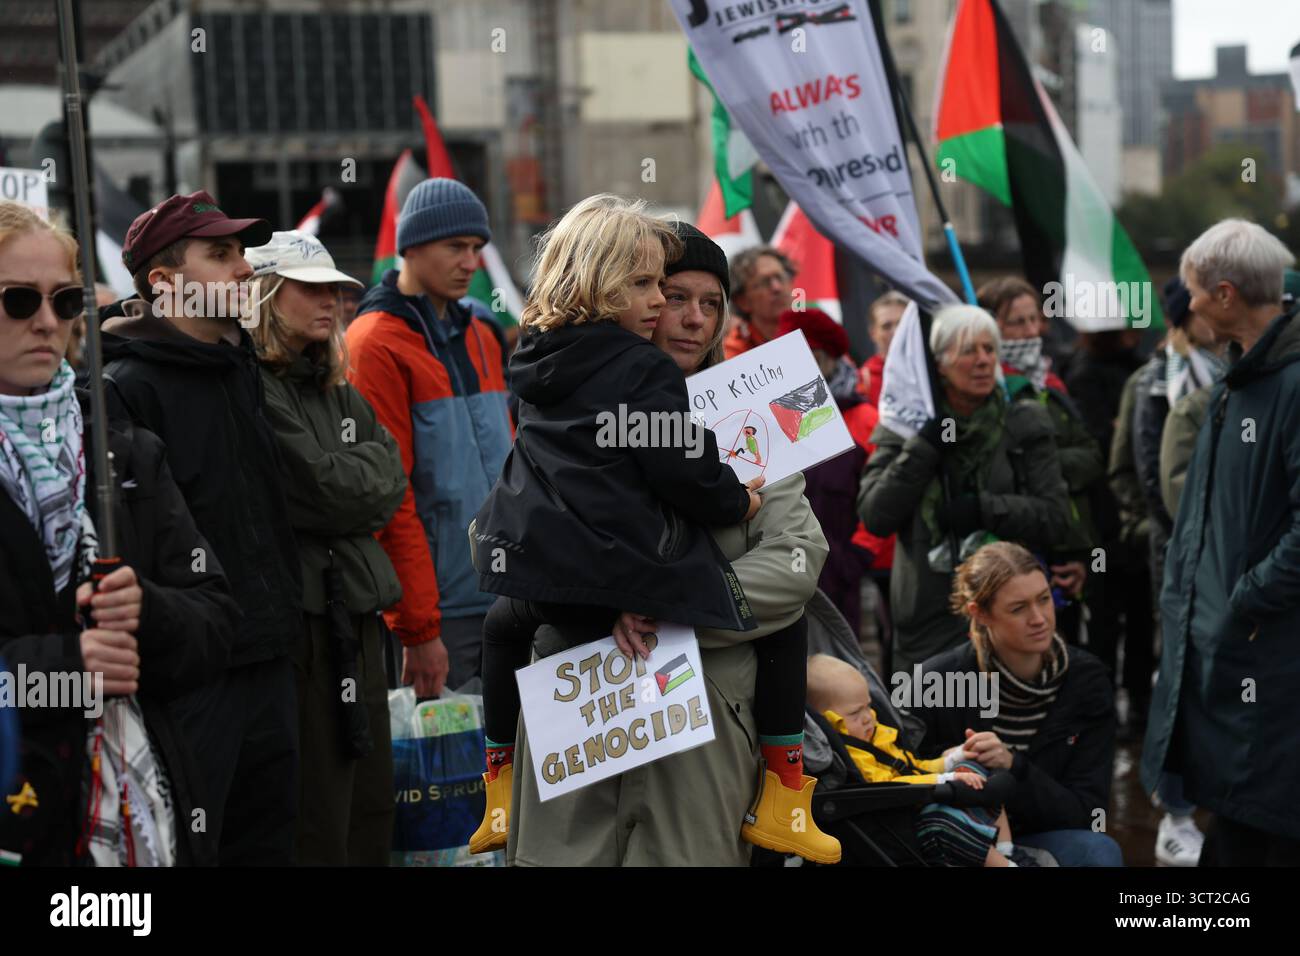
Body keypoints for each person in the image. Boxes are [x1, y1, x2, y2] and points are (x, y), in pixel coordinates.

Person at [471, 200, 838, 863]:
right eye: (672, 295)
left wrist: (670, 605)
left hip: (702, 728)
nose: (695, 317)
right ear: (621, 295)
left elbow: (795, 559)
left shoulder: (755, 413)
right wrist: (583, 597)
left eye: (712, 301)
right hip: (575, 710)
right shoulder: (566, 404)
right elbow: (495, 534)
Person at [0, 201, 237, 866]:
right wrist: (70, 670)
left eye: (65, 298)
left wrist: (148, 610)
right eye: (18, 300)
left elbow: (216, 621)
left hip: (135, 808)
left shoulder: (123, 448)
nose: (47, 322)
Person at [101, 190, 303, 865]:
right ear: (164, 283)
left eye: (242, 251)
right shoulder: (124, 387)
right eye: (220, 254)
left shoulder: (238, 365)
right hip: (191, 681)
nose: (244, 268)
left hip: (271, 658)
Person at [245, 231, 407, 865]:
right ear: (266, 296)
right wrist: (355, 478)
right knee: (322, 802)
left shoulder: (333, 384)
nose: (331, 303)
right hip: (310, 620)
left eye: (336, 291)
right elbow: (319, 488)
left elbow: (390, 474)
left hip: (357, 609)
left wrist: (351, 479)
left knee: (372, 796)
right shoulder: (258, 384)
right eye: (310, 288)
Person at [1142, 219, 1300, 866]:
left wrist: (1245, 600)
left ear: (1227, 294)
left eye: (1195, 292)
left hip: (1269, 666)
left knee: (1259, 829)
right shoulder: (1236, 384)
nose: (1189, 306)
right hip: (1233, 662)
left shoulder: (1287, 384)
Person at [346, 179, 512, 696]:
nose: (470, 262)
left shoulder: (483, 331)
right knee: (454, 773)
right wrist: (419, 627)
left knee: (516, 771)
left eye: (477, 249)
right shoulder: (374, 342)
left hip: (510, 596)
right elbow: (389, 498)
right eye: (455, 247)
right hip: (441, 612)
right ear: (411, 247)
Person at [858, 304, 1071, 677]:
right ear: (939, 363)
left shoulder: (1023, 421)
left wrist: (984, 509)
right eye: (968, 351)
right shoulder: (907, 427)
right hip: (928, 617)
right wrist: (923, 448)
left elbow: (1055, 517)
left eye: (990, 349)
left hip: (1009, 615)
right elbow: (875, 515)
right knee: (929, 728)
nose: (983, 360)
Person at [913, 541, 1123, 866]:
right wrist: (947, 764)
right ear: (980, 614)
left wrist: (1013, 767)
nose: (1039, 618)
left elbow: (1085, 812)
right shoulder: (935, 681)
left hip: (1044, 835)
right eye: (1018, 608)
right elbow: (901, 787)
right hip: (958, 842)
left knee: (1099, 850)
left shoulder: (1088, 681)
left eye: (1044, 599)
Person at [806, 654, 1039, 867]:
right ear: (829, 722)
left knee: (980, 768)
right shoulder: (854, 756)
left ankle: (1007, 850)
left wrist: (954, 759)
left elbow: (912, 765)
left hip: (926, 797)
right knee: (943, 824)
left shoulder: (875, 736)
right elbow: (890, 785)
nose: (868, 718)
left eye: (869, 707)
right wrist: (944, 779)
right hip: (903, 820)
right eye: (856, 714)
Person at [977, 277, 1102, 646]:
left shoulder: (1052, 385)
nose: (1031, 331)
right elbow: (1003, 470)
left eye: (1035, 319)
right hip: (1017, 546)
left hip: (1066, 543)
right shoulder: (990, 390)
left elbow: (1092, 458)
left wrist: (1042, 462)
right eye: (1018, 322)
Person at [778, 308, 873, 637]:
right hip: (780, 574)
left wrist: (857, 555)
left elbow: (882, 497)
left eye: (812, 356)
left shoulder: (863, 419)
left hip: (840, 578)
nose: (802, 366)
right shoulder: (770, 417)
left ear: (832, 359)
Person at [723, 245, 795, 358]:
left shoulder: (815, 331)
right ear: (742, 301)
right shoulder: (734, 356)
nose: (777, 287)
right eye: (764, 282)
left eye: (780, 277)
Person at [859, 291, 908, 407]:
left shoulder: (934, 368)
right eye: (887, 326)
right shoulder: (863, 380)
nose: (896, 332)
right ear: (873, 333)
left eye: (903, 323)